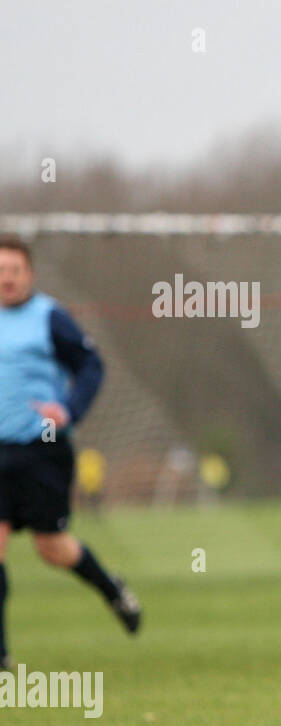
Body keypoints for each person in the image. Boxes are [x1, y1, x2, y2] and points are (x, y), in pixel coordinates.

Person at [0, 237, 142, 671]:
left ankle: (112, 590)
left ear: (30, 275)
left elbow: (90, 366)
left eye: (14, 269)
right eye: (0, 269)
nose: (6, 277)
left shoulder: (49, 318)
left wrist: (69, 409)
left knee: (52, 548)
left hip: (43, 447)